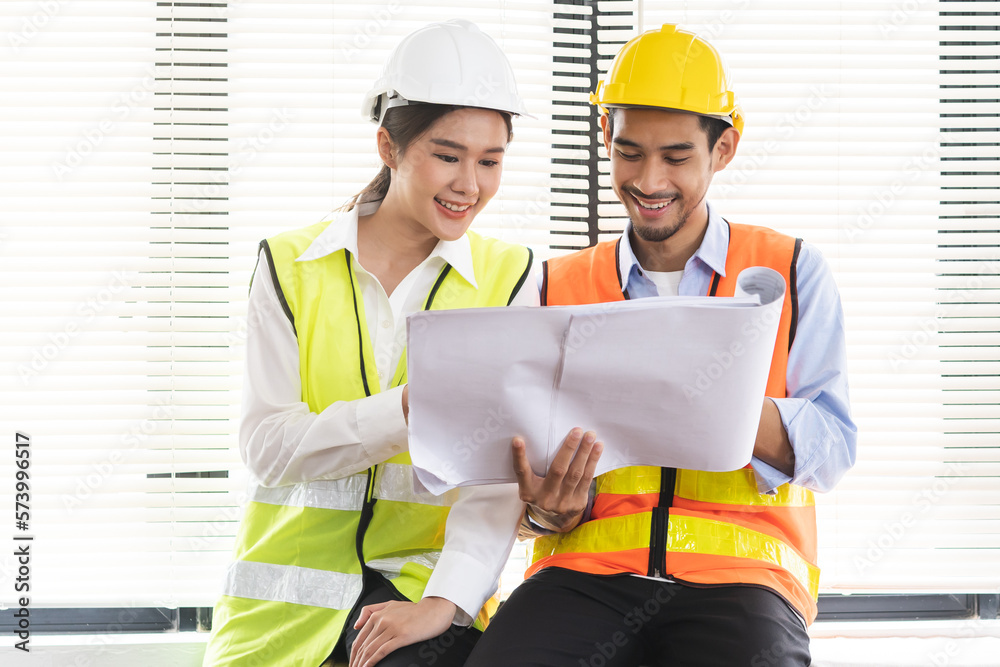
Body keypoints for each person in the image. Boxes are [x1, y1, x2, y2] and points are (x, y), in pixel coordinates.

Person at [466, 23, 857, 666]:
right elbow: (527, 483)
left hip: (744, 583)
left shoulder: (791, 270)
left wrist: (721, 400)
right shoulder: (553, 284)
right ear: (605, 139)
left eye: (677, 156)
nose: (650, 181)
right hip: (583, 577)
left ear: (723, 149)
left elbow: (833, 446)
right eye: (629, 152)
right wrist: (547, 510)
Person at [202, 19, 535, 667]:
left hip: (422, 598)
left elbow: (495, 481)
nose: (470, 183)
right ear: (389, 146)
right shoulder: (289, 265)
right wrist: (405, 411)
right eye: (447, 154)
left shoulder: (512, 277)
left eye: (490, 161)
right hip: (276, 618)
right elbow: (266, 446)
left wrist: (446, 602)